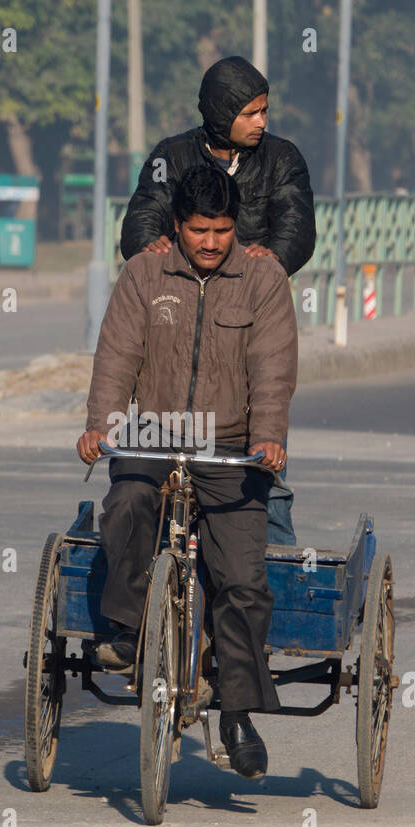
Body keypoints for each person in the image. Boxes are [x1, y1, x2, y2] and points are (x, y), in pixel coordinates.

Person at [78, 165, 297, 780]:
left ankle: (237, 712)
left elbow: (272, 366)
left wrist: (268, 437)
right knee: (124, 507)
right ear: (176, 226)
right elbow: (118, 353)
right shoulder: (145, 273)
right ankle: (127, 631)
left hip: (230, 445)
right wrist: (101, 425)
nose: (210, 241)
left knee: (244, 580)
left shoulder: (263, 279)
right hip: (153, 433)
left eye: (222, 230)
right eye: (199, 229)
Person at [120, 55, 314, 547]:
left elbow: (297, 224)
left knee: (263, 459)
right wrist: (150, 247)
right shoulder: (173, 154)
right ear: (221, 111)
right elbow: (145, 213)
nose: (262, 122)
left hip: (251, 318)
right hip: (177, 318)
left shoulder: (282, 159)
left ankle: (275, 566)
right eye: (251, 113)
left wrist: (271, 263)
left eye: (265, 111)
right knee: (146, 469)